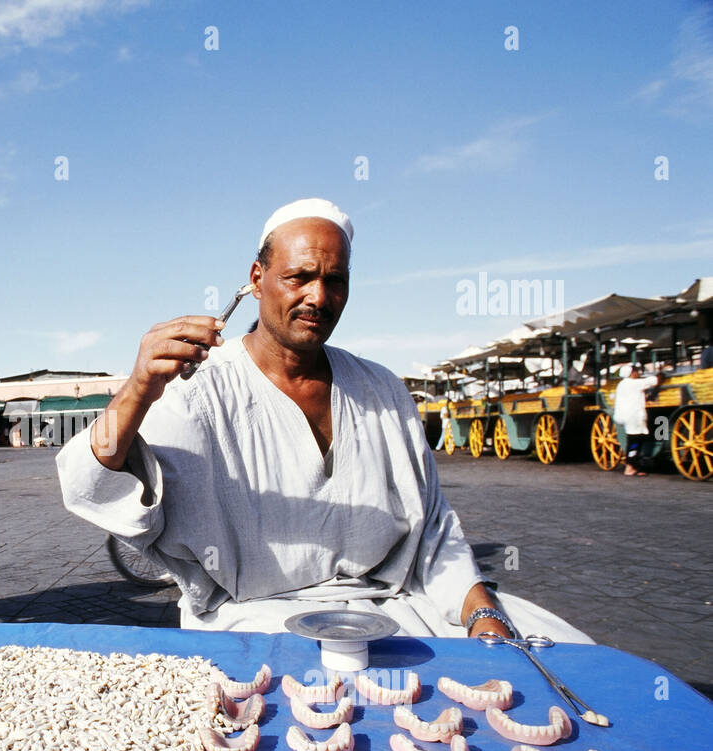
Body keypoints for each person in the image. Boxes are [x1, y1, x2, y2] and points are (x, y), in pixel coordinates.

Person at [56, 198, 592, 644]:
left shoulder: (382, 390)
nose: (319, 296)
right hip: (255, 622)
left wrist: (481, 611)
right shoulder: (196, 388)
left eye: (335, 280)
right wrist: (137, 389)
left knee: (567, 660)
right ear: (257, 277)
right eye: (300, 277)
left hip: (400, 611)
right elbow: (91, 486)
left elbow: (434, 531)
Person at [613, 364, 663, 477]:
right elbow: (654, 381)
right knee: (634, 441)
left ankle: (634, 465)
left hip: (628, 415)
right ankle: (630, 466)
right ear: (631, 373)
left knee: (636, 440)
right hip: (634, 416)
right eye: (636, 372)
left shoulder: (622, 384)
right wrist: (661, 375)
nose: (638, 374)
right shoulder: (633, 383)